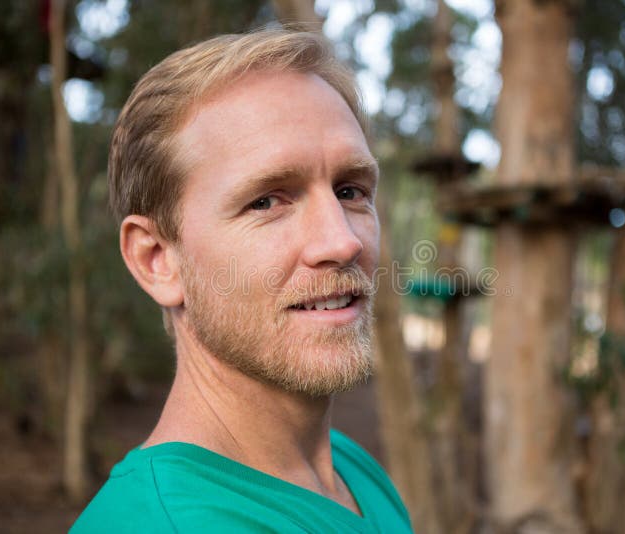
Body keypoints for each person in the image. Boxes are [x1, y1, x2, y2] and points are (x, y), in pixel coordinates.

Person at [71, 29, 412, 533]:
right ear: (157, 259)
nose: (342, 242)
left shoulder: (351, 469)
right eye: (267, 201)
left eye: (350, 190)